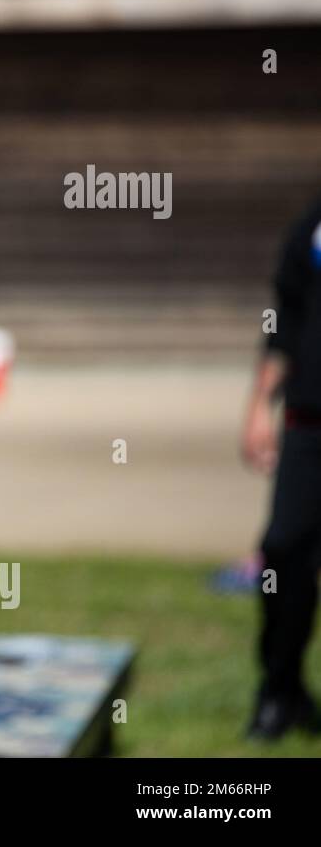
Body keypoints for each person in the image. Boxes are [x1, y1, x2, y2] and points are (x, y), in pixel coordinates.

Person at [241, 198, 321, 740]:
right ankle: (280, 690)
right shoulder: (313, 228)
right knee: (284, 551)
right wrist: (258, 407)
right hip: (308, 423)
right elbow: (285, 324)